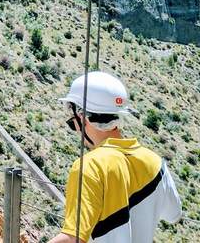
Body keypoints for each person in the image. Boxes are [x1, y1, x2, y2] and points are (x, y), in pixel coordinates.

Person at [48, 71, 182, 243]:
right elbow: (174, 214)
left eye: (72, 122)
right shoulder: (156, 163)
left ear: (82, 116)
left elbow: (72, 238)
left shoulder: (90, 167)